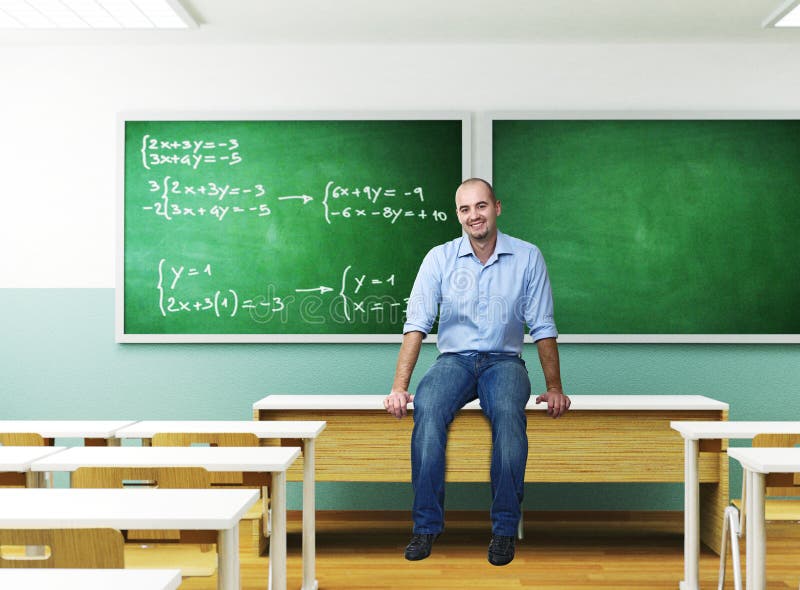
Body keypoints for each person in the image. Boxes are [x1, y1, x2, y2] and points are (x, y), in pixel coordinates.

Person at [383, 177, 570, 566]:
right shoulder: (439, 258)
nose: (474, 215)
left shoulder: (527, 257)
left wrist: (555, 387)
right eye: (465, 209)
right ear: (458, 215)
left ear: (496, 207)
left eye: (481, 206)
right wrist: (399, 387)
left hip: (504, 362)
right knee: (429, 409)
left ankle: (504, 530)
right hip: (453, 360)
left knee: (507, 415)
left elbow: (543, 326)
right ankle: (425, 527)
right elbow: (417, 323)